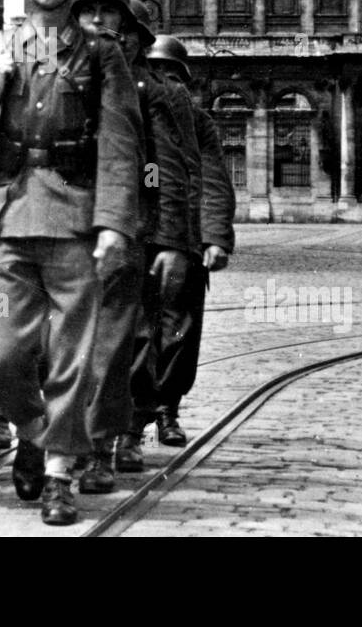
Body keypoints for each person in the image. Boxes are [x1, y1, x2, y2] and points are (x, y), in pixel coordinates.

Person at [0, 0, 141, 526]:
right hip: (8, 217)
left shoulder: (100, 54)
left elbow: (118, 142)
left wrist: (113, 223)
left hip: (74, 221)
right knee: (1, 350)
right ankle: (34, 431)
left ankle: (60, 470)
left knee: (73, 356)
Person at [71, 0, 190, 493]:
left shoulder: (151, 93)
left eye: (112, 17)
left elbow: (163, 168)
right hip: (65, 222)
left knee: (121, 342)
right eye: (89, 12)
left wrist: (167, 239)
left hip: (127, 227)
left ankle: (113, 436)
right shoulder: (65, 72)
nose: (102, 27)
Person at [141, 33, 235, 448]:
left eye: (174, 74)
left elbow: (215, 180)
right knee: (135, 328)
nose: (167, 81)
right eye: (159, 72)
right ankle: (130, 415)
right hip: (142, 236)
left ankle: (166, 408)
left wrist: (215, 237)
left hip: (186, 240)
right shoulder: (135, 116)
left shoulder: (199, 123)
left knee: (178, 328)